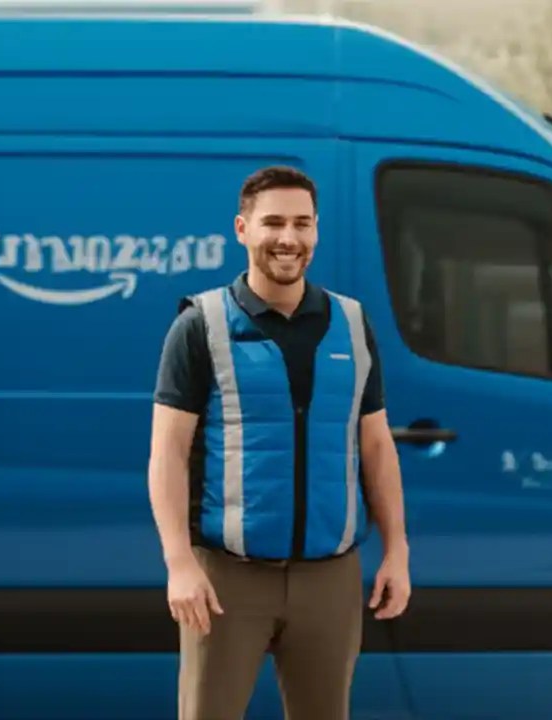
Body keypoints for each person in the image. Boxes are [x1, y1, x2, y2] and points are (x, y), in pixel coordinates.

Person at [147, 165, 411, 720]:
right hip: (227, 577)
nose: (288, 238)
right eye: (272, 223)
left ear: (316, 231)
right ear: (242, 229)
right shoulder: (201, 326)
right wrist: (178, 563)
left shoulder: (353, 323)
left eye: (302, 224)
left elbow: (376, 446)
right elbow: (167, 453)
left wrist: (397, 550)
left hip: (329, 577)